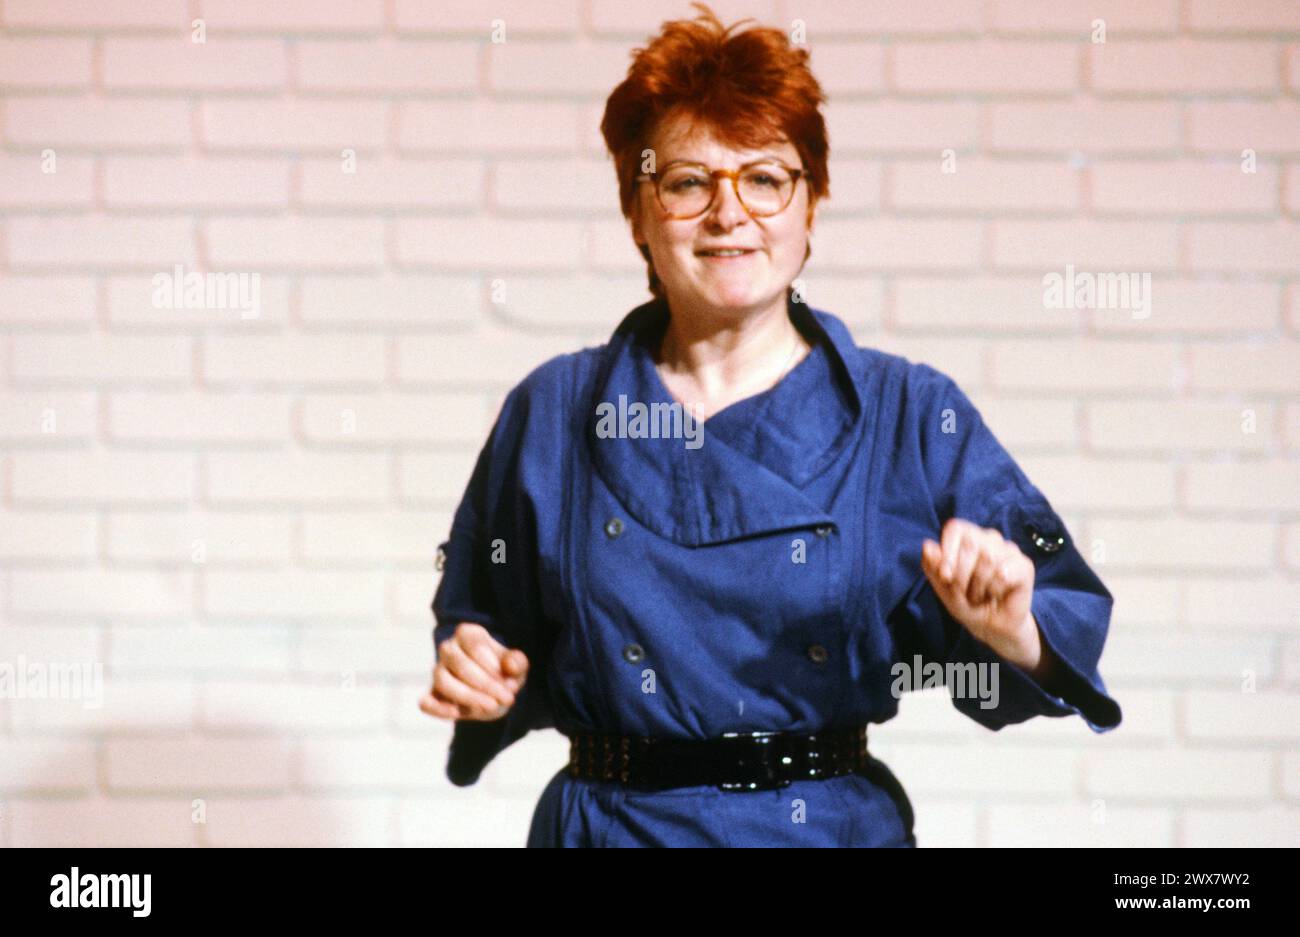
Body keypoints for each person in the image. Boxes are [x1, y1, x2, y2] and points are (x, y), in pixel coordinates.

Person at [418, 3, 1121, 847]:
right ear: (636, 213)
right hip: (609, 831)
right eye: (687, 182)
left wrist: (1012, 631)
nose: (729, 212)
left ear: (811, 205)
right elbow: (486, 624)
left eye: (765, 178)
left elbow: (1057, 626)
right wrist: (478, 668)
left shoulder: (907, 414)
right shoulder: (555, 411)